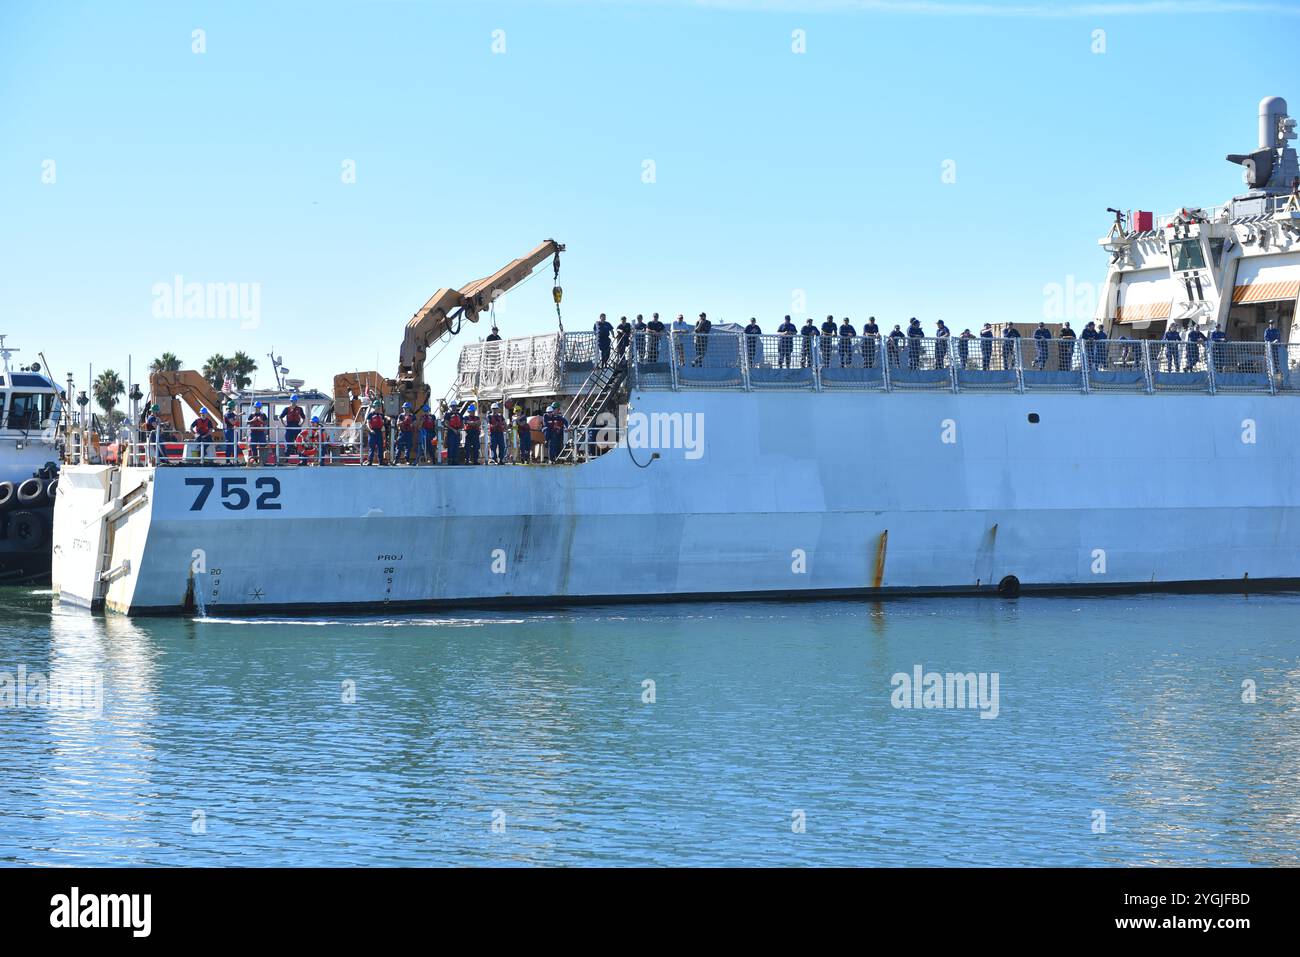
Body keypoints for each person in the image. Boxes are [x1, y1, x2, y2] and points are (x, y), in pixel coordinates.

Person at [281, 394, 307, 463]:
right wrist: (284, 425)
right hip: (289, 428)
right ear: (291, 401)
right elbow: (280, 417)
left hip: (297, 428)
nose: (294, 402)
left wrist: (301, 425)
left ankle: (302, 460)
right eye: (293, 401)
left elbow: (304, 417)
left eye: (295, 401)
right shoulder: (287, 409)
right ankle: (286, 459)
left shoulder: (300, 409)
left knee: (299, 444)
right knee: (288, 445)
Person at [365, 401, 387, 466]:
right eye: (376, 406)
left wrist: (384, 434)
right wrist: (370, 430)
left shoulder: (381, 415)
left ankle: (381, 461)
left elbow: (383, 424)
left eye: (378, 406)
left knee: (380, 447)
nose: (378, 408)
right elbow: (368, 423)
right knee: (372, 448)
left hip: (379, 432)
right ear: (374, 407)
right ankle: (370, 461)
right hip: (373, 433)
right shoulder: (370, 414)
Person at [222, 400, 240, 465]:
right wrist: (237, 417)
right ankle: (228, 461)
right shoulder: (228, 414)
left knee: (235, 446)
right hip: (229, 431)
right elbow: (233, 422)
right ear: (232, 407)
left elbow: (234, 418)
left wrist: (239, 415)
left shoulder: (231, 414)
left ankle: (235, 460)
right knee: (230, 446)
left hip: (232, 431)